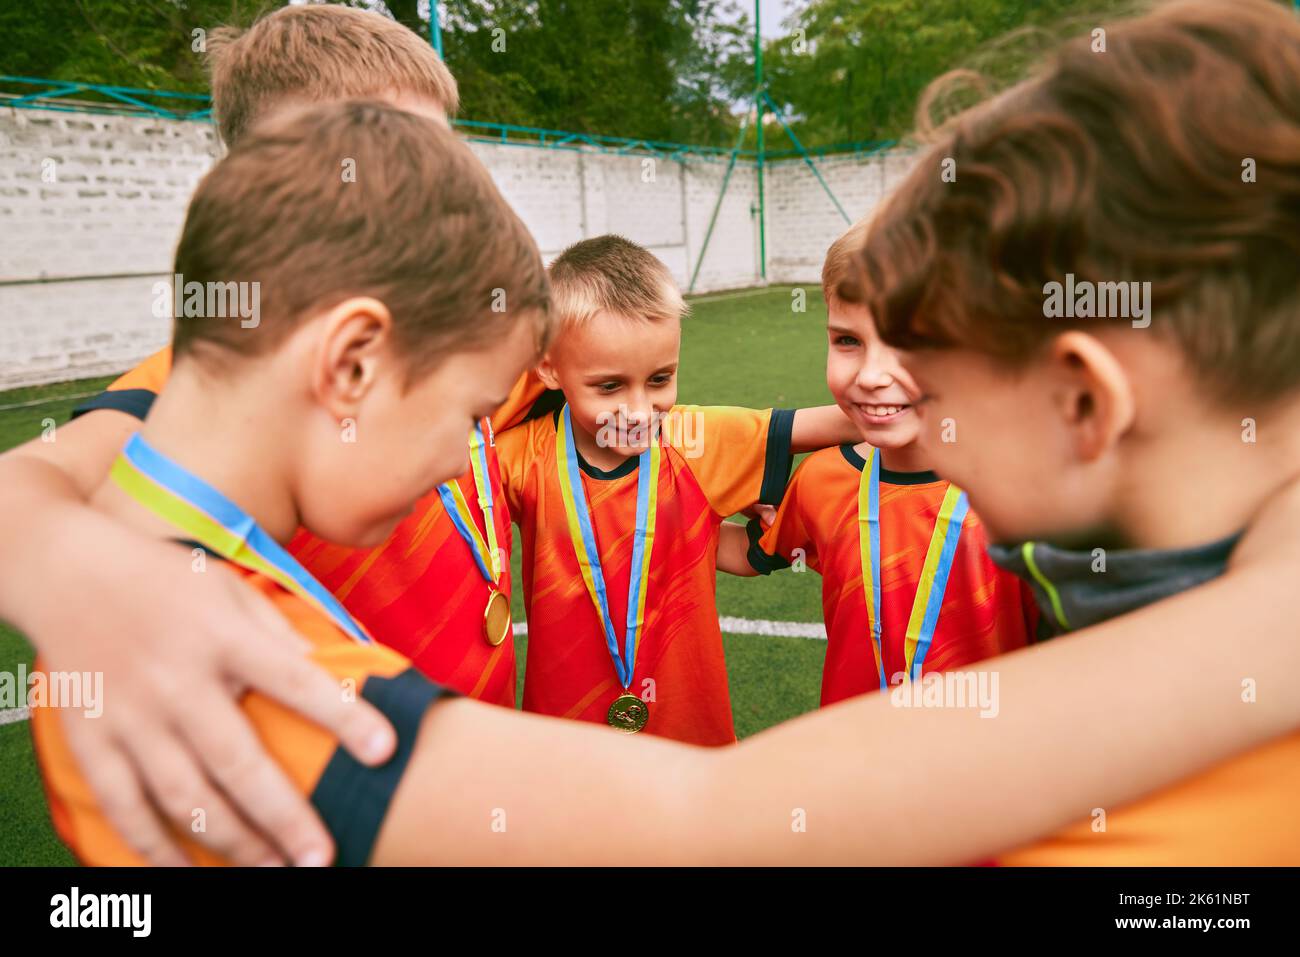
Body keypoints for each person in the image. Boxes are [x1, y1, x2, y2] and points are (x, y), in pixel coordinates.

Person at [0, 3, 539, 867]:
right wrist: (71, 575)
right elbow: (23, 487)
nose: (424, 192)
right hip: (344, 792)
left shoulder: (446, 342)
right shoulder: (204, 383)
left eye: (440, 160)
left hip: (466, 774)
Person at [497, 235, 858, 744]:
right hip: (564, 725)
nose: (641, 411)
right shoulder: (521, 457)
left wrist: (935, 413)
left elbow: (821, 425)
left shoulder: (691, 439)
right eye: (609, 386)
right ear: (549, 370)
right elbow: (457, 433)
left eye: (661, 378)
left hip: (689, 723)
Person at [718, 219, 1038, 706]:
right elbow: (748, 552)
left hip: (995, 767)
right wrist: (654, 514)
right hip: (857, 762)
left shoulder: (1032, 491)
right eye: (848, 341)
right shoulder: (823, 480)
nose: (870, 375)